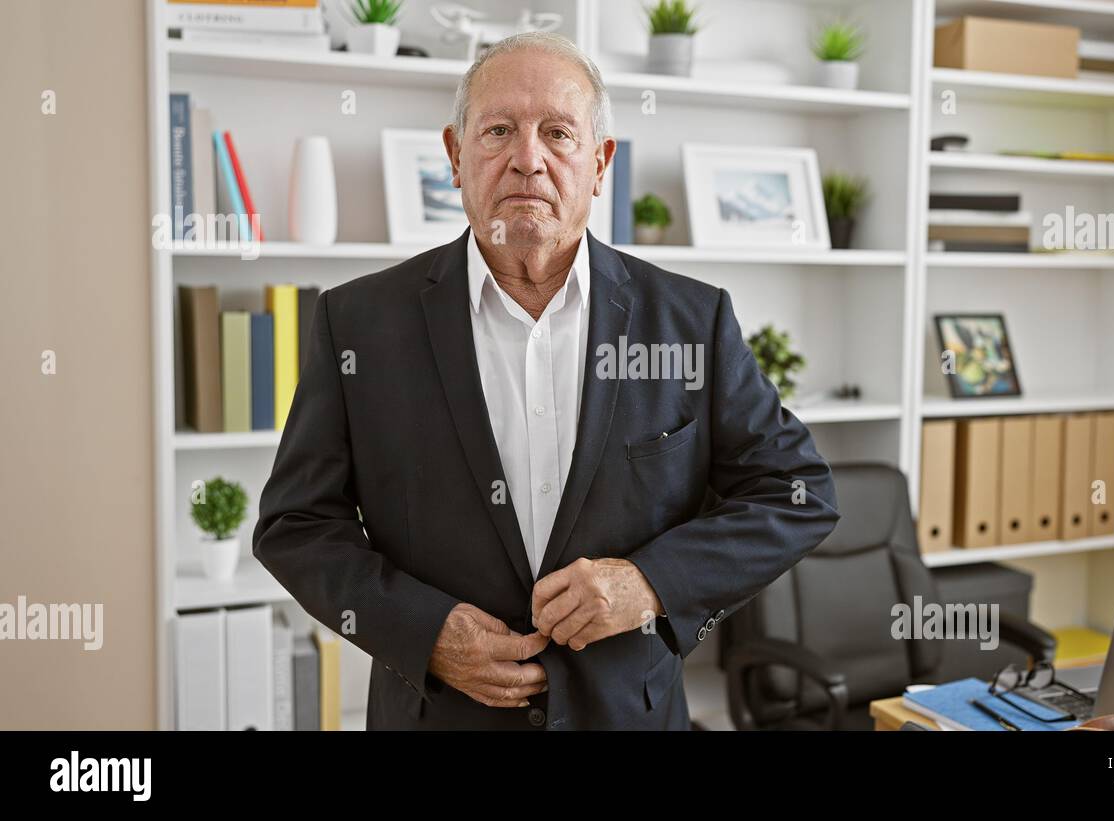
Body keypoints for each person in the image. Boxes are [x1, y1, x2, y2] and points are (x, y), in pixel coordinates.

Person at [253, 31, 838, 730]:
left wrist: (648, 583)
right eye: (498, 130)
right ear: (455, 155)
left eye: (557, 133)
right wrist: (426, 631)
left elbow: (797, 494)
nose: (527, 159)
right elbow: (296, 523)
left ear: (599, 163)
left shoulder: (691, 321)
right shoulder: (356, 323)